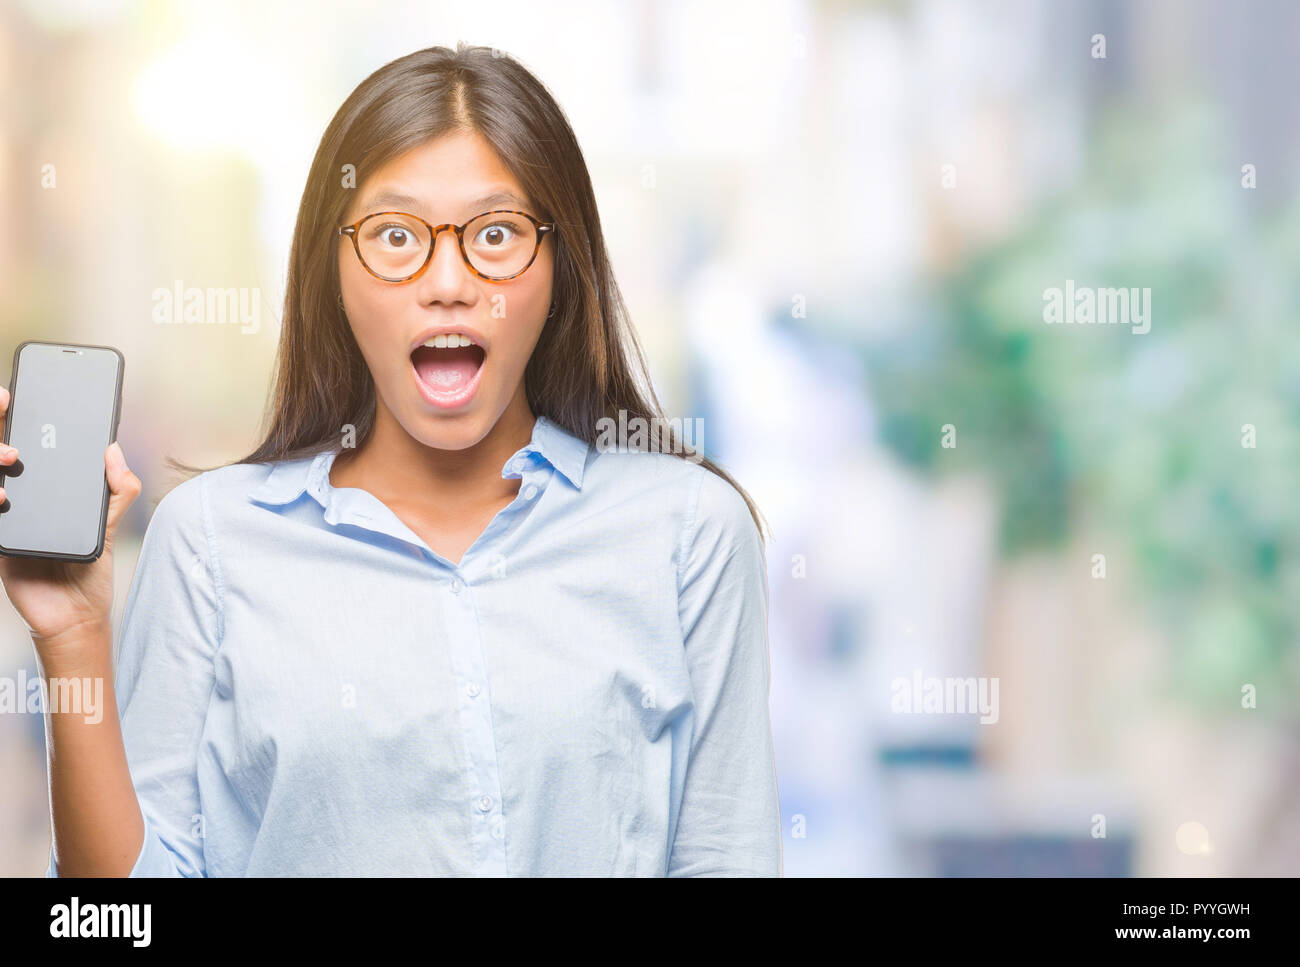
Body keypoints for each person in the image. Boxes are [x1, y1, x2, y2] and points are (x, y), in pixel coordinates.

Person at [3, 42, 781, 877]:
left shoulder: (688, 533)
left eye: (496, 233)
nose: (447, 281)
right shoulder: (209, 544)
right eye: (396, 235)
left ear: (562, 267)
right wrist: (75, 640)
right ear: (331, 270)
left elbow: (727, 860)